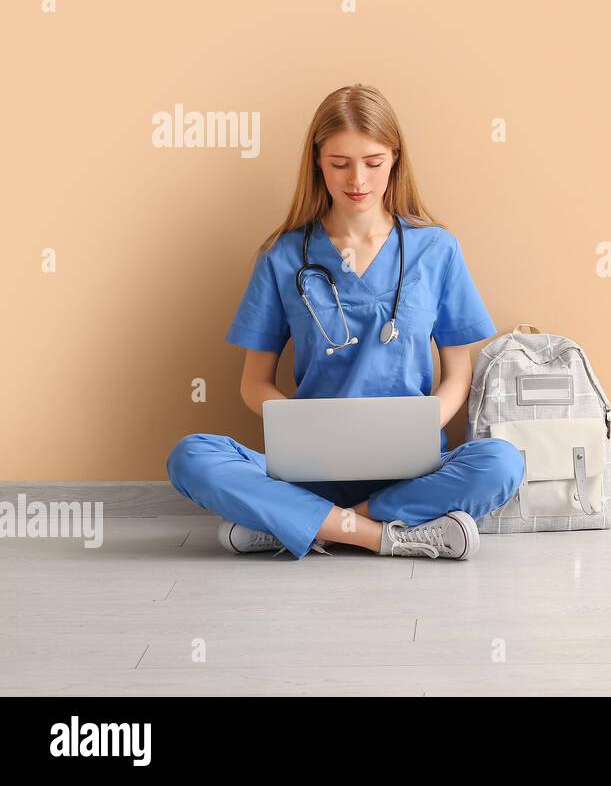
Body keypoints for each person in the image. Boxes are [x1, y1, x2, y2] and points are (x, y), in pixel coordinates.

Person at [166, 84, 524, 561]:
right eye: (340, 163)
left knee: (501, 462)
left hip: (411, 468)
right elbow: (255, 383)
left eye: (373, 162)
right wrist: (301, 424)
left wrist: (420, 425)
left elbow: (458, 374)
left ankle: (299, 524)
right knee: (191, 456)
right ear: (317, 162)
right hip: (312, 469)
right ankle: (381, 536)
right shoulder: (283, 255)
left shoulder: (436, 249)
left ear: (396, 158)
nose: (357, 179)